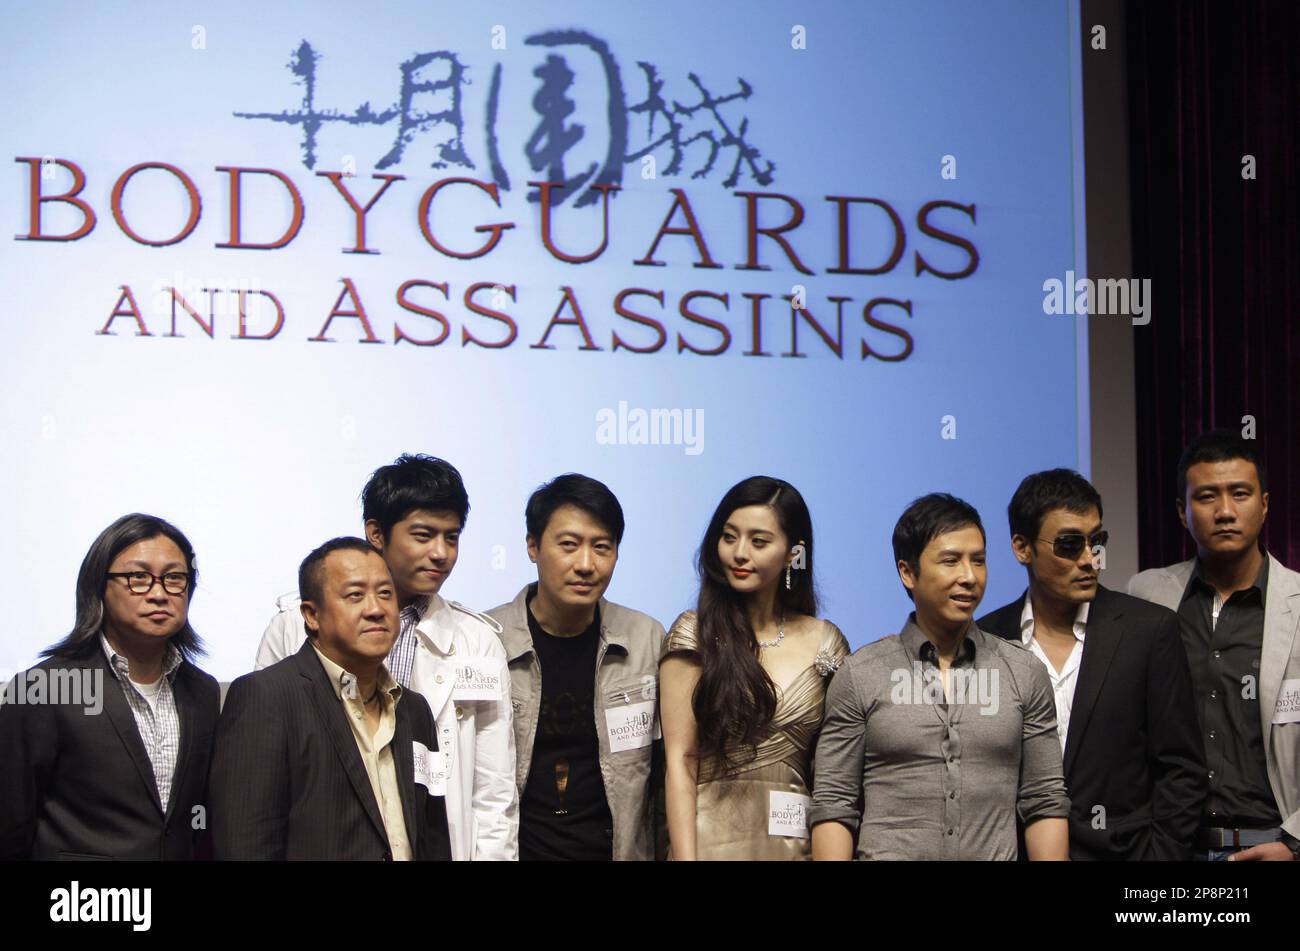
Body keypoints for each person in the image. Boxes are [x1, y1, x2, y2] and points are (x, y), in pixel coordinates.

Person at [254, 454, 516, 860]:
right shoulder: (294, 625)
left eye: (452, 537)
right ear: (376, 532)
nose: (441, 553)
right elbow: (263, 778)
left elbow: (494, 793)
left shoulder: (477, 641)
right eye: (423, 535)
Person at [810, 493, 1070, 860]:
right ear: (907, 571)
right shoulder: (861, 674)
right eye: (951, 561)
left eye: (978, 561)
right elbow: (834, 804)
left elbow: (1044, 800)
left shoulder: (1024, 672)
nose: (969, 577)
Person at [978, 469, 1206, 860]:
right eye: (1069, 545)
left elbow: (1182, 769)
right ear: (1022, 547)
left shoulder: (1149, 631)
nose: (1090, 559)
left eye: (1097, 542)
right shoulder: (985, 640)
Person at [211, 537, 452, 860]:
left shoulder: (414, 709)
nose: (376, 610)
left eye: (385, 594)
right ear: (311, 615)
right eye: (355, 595)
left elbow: (433, 837)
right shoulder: (266, 697)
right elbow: (246, 844)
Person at [0, 513, 220, 860]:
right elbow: (10, 822)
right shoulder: (44, 686)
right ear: (98, 586)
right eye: (138, 578)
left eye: (174, 578)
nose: (159, 593)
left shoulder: (203, 691)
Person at [1128, 430, 1300, 861]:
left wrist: (1294, 845)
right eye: (1206, 497)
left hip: (1272, 847)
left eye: (1240, 494)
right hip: (1169, 849)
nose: (1225, 511)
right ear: (1182, 513)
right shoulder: (1146, 595)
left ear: (1264, 504)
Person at [660, 476, 849, 860]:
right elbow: (681, 761)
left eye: (758, 542)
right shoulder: (693, 634)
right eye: (729, 537)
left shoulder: (826, 642)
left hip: (796, 849)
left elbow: (837, 772)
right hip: (708, 846)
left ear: (793, 554)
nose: (739, 553)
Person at [487, 474, 664, 861]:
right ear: (532, 546)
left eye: (602, 547)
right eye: (568, 545)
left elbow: (667, 770)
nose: (586, 564)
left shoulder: (646, 639)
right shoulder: (487, 641)